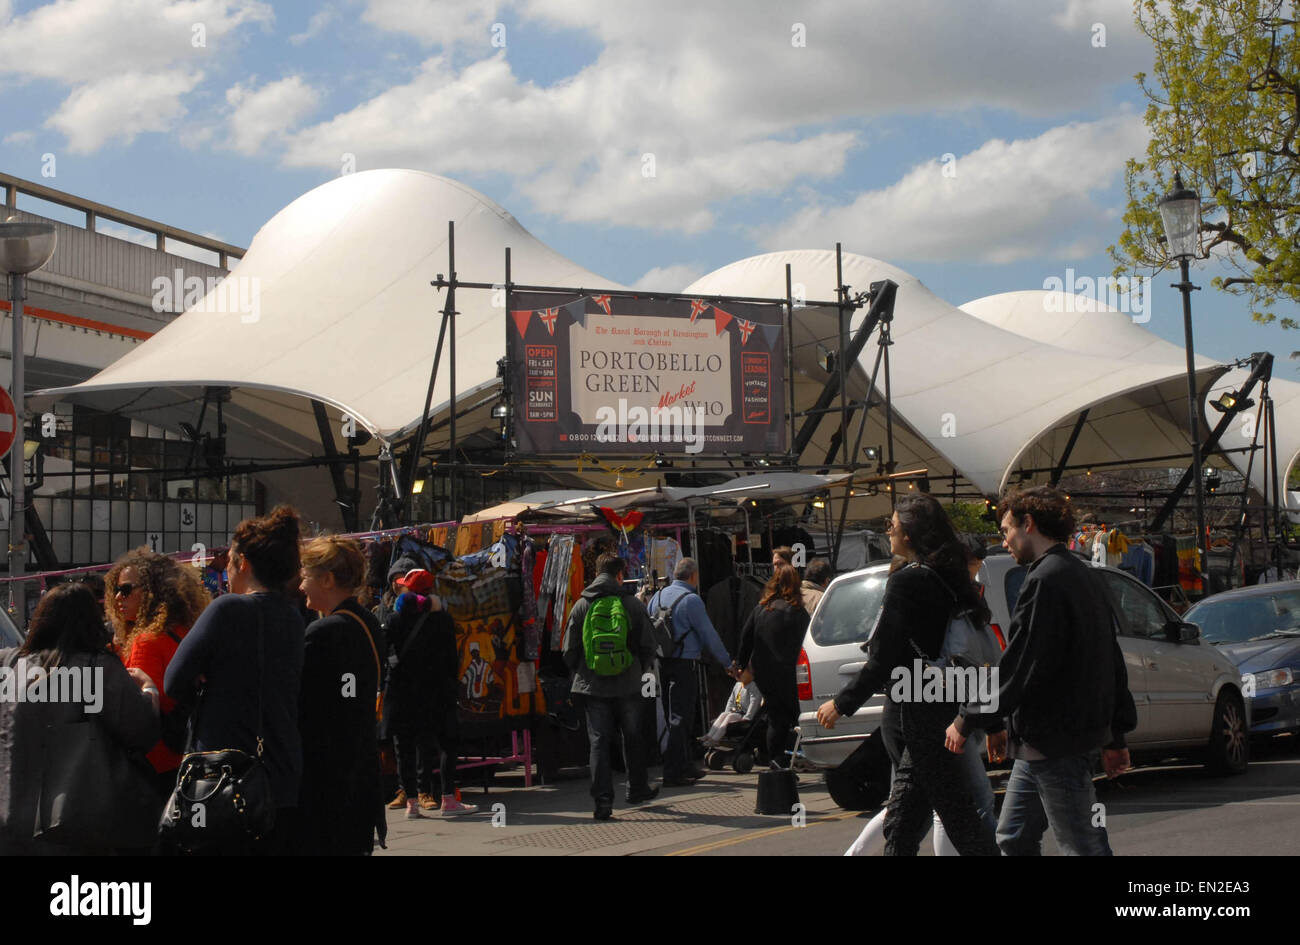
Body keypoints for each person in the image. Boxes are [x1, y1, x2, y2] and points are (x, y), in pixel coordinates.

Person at [946, 486, 1136, 856]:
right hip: (1042, 741)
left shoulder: (1046, 580)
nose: (1004, 543)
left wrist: (968, 718)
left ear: (1028, 524)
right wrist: (1115, 736)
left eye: (1006, 531)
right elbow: (1109, 659)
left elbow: (1020, 664)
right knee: (1014, 837)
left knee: (1081, 844)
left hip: (1055, 739)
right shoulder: (1079, 573)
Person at [816, 494, 999, 856]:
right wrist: (992, 722)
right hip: (945, 704)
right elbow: (975, 651)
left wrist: (841, 703)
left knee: (954, 816)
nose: (888, 530)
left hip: (919, 707)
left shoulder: (907, 582)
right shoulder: (952, 578)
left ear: (910, 535)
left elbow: (884, 655)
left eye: (893, 525)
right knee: (907, 819)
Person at [164, 506, 307, 855]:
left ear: (243, 563)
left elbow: (173, 681)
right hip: (281, 773)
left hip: (226, 776)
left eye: (229, 561)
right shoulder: (293, 617)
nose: (226, 570)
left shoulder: (226, 609)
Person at [0, 583, 159, 855]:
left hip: (10, 819)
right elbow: (141, 731)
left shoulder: (9, 665)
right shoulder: (96, 669)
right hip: (76, 824)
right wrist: (149, 691)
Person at [296, 536, 387, 854]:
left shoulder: (324, 633)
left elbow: (302, 704)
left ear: (327, 579)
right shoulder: (367, 622)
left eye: (306, 576)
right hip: (360, 776)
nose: (301, 585)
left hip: (325, 780)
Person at [106, 548, 211, 799]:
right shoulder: (185, 631)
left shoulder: (146, 641)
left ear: (153, 591)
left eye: (127, 589)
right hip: (183, 756)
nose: (119, 597)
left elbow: (139, 710)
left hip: (151, 764)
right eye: (116, 590)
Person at [564, 553, 659, 819]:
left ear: (596, 573)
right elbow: (649, 645)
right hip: (628, 685)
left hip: (593, 687)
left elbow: (568, 650)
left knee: (599, 742)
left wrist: (584, 669)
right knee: (633, 736)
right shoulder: (631, 604)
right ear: (620, 575)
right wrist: (636, 667)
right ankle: (636, 788)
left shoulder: (581, 605)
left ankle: (603, 802)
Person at [383, 568, 477, 818]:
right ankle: (447, 798)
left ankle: (412, 804)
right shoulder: (442, 619)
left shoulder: (395, 619)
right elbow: (451, 659)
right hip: (436, 693)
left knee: (403, 747)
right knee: (444, 743)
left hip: (403, 694)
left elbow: (385, 653)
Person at [649, 558, 734, 786]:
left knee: (672, 717)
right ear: (693, 576)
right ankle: (673, 772)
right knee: (681, 718)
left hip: (662, 663)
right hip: (683, 665)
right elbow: (709, 635)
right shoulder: (692, 600)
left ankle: (685, 765)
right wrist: (727, 662)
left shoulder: (657, 596)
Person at [737, 565, 810, 768]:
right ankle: (801, 756)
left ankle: (777, 761)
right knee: (797, 716)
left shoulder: (760, 609)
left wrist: (741, 666)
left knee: (776, 717)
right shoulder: (797, 612)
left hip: (764, 673)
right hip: (788, 672)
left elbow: (745, 639)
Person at [702, 677, 762, 747]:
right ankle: (709, 736)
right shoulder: (737, 684)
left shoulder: (753, 685)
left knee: (730, 716)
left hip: (744, 715)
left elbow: (754, 702)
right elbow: (731, 700)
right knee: (723, 714)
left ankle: (715, 740)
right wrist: (728, 711)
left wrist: (748, 717)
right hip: (736, 712)